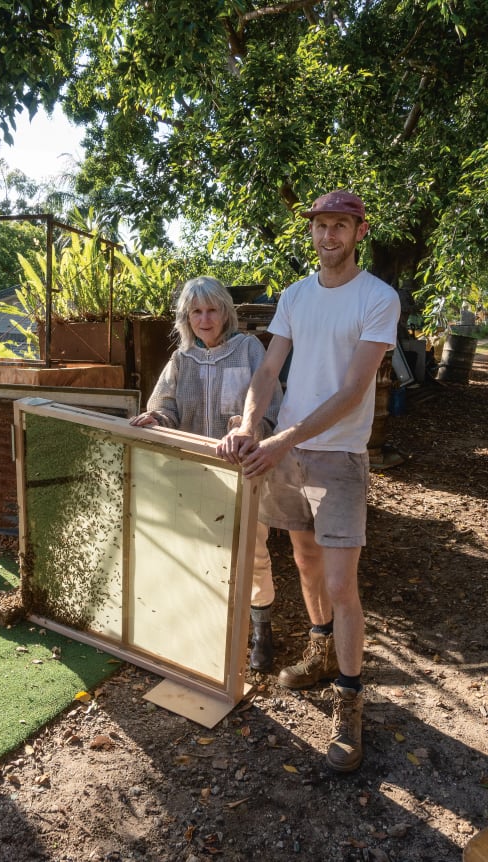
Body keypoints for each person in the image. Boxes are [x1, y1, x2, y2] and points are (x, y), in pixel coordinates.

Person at [218, 191, 401, 772]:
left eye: (339, 226)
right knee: (302, 556)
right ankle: (321, 650)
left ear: (359, 231)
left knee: (343, 581)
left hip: (337, 456)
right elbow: (269, 369)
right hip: (289, 453)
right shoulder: (295, 295)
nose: (328, 237)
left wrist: (280, 441)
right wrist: (251, 424)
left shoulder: (377, 297)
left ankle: (350, 698)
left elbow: (351, 391)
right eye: (321, 226)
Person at [130, 275, 284, 672]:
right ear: (186, 318)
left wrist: (249, 428)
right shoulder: (181, 359)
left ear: (225, 312)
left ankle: (261, 632)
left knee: (251, 553)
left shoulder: (248, 349)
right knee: (197, 551)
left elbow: (269, 406)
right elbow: (167, 407)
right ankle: (207, 629)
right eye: (196, 311)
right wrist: (157, 417)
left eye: (212, 309)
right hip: (193, 471)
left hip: (242, 471)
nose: (205, 319)